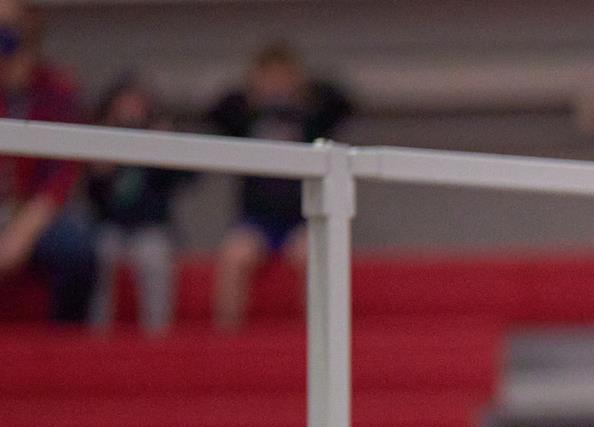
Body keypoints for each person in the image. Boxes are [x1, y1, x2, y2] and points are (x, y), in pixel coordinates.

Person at [206, 41, 351, 331]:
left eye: (283, 77)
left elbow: (344, 103)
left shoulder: (308, 117)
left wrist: (302, 94)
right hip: (257, 221)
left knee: (314, 257)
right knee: (234, 257)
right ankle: (227, 339)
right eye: (269, 77)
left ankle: (320, 337)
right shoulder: (246, 116)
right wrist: (254, 97)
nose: (276, 85)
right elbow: (215, 111)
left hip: (302, 219)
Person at [0, 0, 94, 324]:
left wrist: (24, 228)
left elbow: (63, 171)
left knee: (77, 252)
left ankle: (66, 351)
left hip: (37, 210)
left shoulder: (57, 87)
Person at [86, 74, 194, 336]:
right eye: (125, 104)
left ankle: (156, 336)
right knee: (101, 253)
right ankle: (97, 336)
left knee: (154, 255)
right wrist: (101, 169)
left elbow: (184, 180)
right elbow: (93, 197)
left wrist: (166, 151)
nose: (131, 111)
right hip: (111, 226)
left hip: (150, 227)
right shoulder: (102, 139)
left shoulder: (156, 138)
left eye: (137, 104)